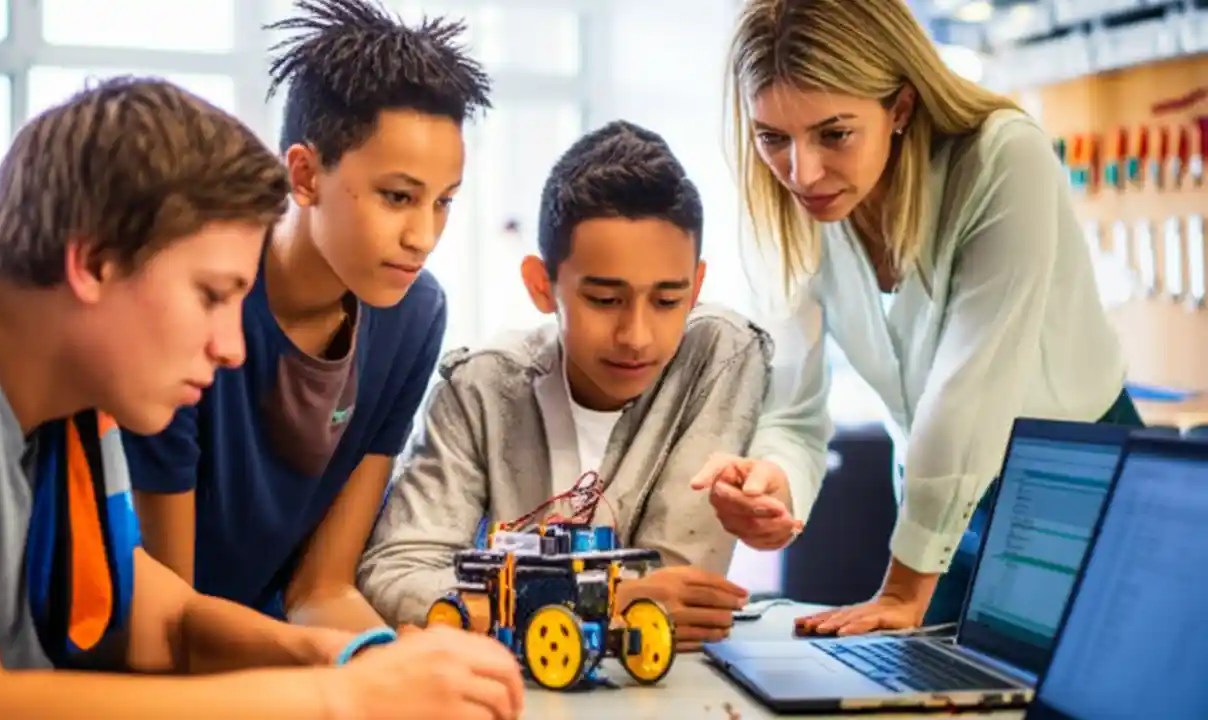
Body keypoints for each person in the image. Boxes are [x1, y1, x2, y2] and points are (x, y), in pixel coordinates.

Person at [0, 77, 521, 720]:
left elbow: (167, 623)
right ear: (95, 263)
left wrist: (348, 659)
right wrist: (341, 699)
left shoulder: (79, 411)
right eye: (211, 295)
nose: (233, 347)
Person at [691, 0, 1143, 637]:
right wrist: (775, 484)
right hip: (935, 494)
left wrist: (902, 589)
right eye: (773, 138)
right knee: (925, 685)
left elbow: (969, 389)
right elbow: (793, 410)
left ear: (899, 107)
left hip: (1074, 481)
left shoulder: (1002, 159)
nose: (802, 172)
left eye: (834, 133)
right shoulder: (789, 204)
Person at [121, 0, 491, 633]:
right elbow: (168, 620)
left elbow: (321, 587)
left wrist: (390, 658)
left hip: (270, 650)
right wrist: (336, 671)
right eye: (397, 197)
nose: (423, 236)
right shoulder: (201, 304)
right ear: (305, 174)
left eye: (443, 202)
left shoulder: (414, 313)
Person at [360, 120, 771, 651]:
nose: (636, 336)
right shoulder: (481, 387)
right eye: (604, 299)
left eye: (668, 300)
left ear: (695, 288)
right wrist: (607, 600)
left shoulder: (721, 355)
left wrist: (501, 607)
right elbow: (394, 574)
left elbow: (684, 600)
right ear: (540, 285)